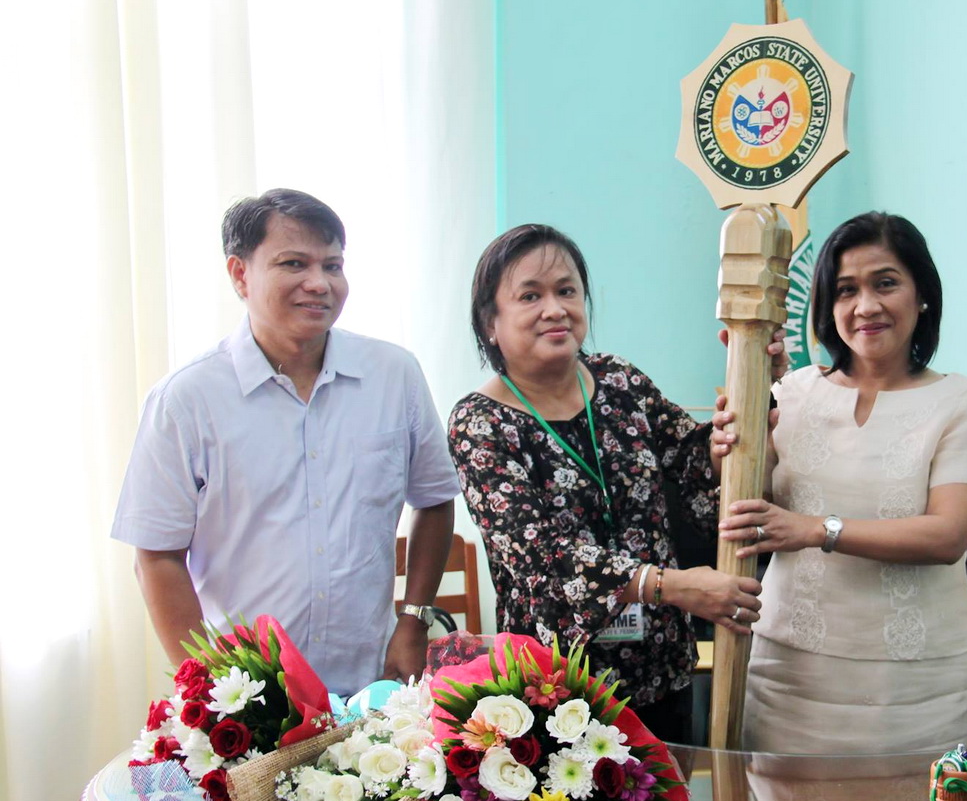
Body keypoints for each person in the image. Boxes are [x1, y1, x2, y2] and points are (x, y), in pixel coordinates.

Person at [112, 189, 461, 696]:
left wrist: (412, 621)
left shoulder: (394, 375)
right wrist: (211, 685)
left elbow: (433, 498)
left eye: (333, 265)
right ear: (240, 274)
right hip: (253, 692)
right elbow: (157, 556)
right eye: (294, 264)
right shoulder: (186, 399)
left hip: (374, 680)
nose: (319, 284)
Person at [447, 223, 769, 745]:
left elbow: (691, 463)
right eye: (530, 295)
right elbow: (544, 559)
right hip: (557, 693)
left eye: (566, 291)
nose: (555, 309)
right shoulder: (480, 424)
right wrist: (673, 586)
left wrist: (753, 384)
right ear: (490, 322)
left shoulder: (620, 381)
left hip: (662, 669)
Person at [718, 212, 967, 755]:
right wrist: (727, 448)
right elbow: (748, 508)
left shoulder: (962, 402)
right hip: (791, 676)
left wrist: (815, 530)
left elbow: (947, 538)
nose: (865, 306)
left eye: (885, 283)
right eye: (846, 290)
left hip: (919, 689)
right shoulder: (793, 391)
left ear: (922, 295)